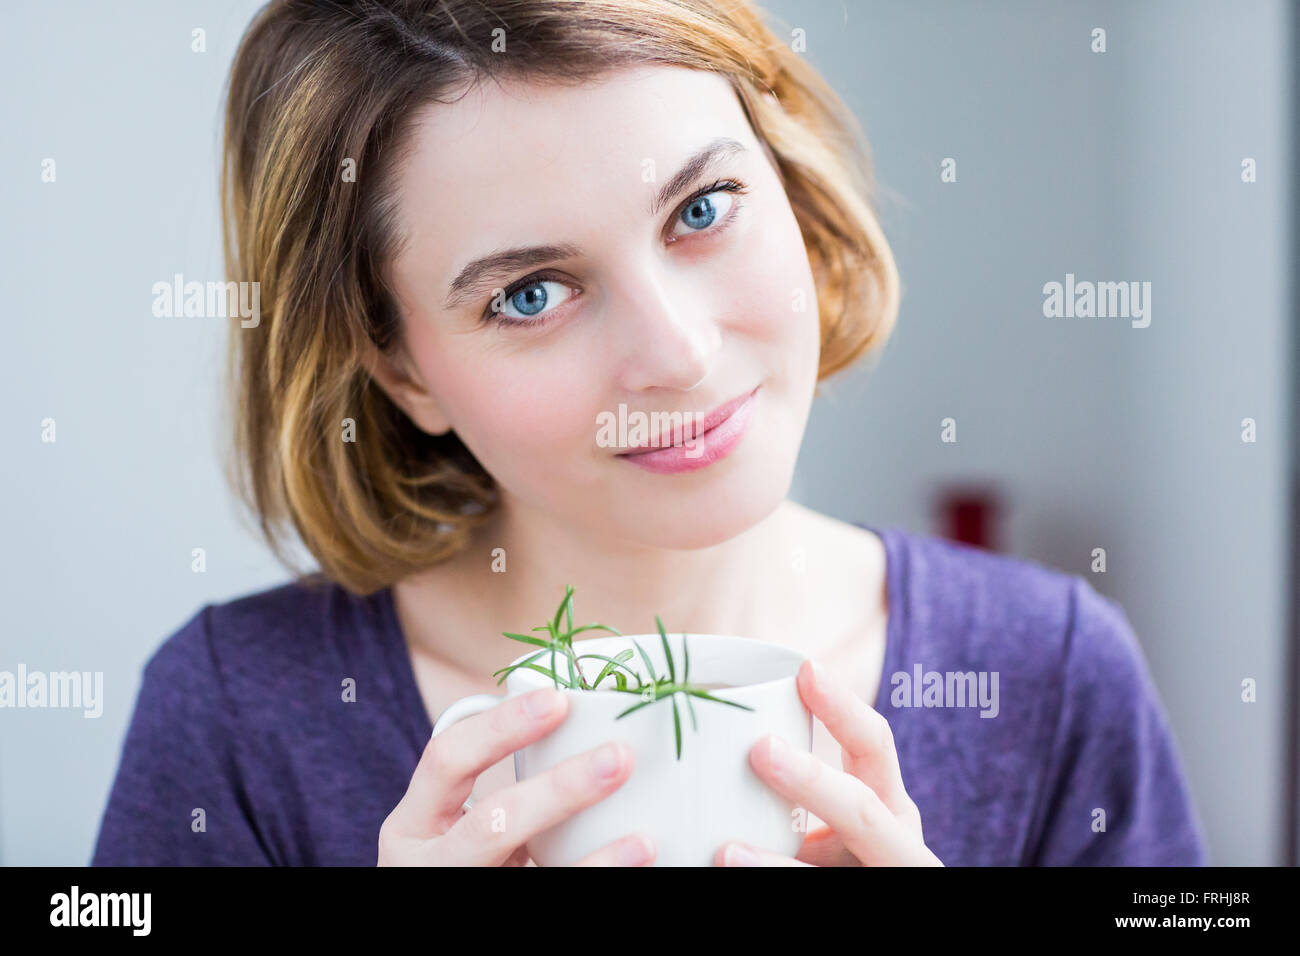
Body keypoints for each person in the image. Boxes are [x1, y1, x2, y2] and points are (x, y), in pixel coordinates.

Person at [90, 0, 1208, 866]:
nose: (673, 352)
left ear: (790, 183)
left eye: (701, 210)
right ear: (397, 367)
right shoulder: (238, 718)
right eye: (529, 293)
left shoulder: (1051, 674)